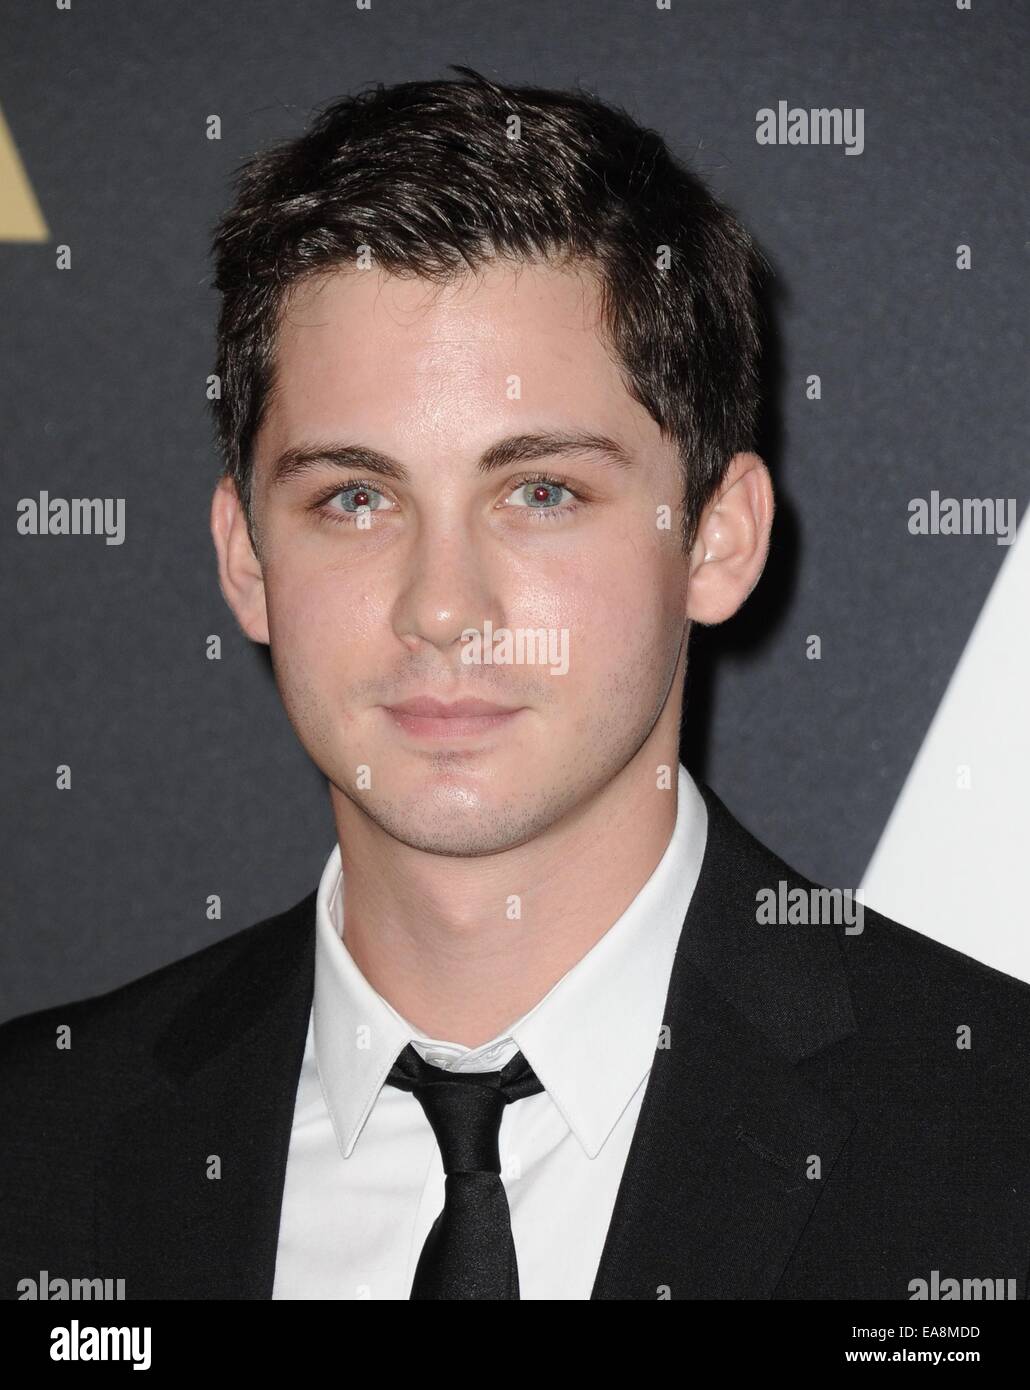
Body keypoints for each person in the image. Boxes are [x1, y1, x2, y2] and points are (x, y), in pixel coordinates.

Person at [2, 67, 1029, 1302]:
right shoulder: (36, 1148)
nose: (442, 606)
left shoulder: (990, 1142)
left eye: (540, 492)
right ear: (246, 558)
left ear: (716, 537)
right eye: (354, 498)